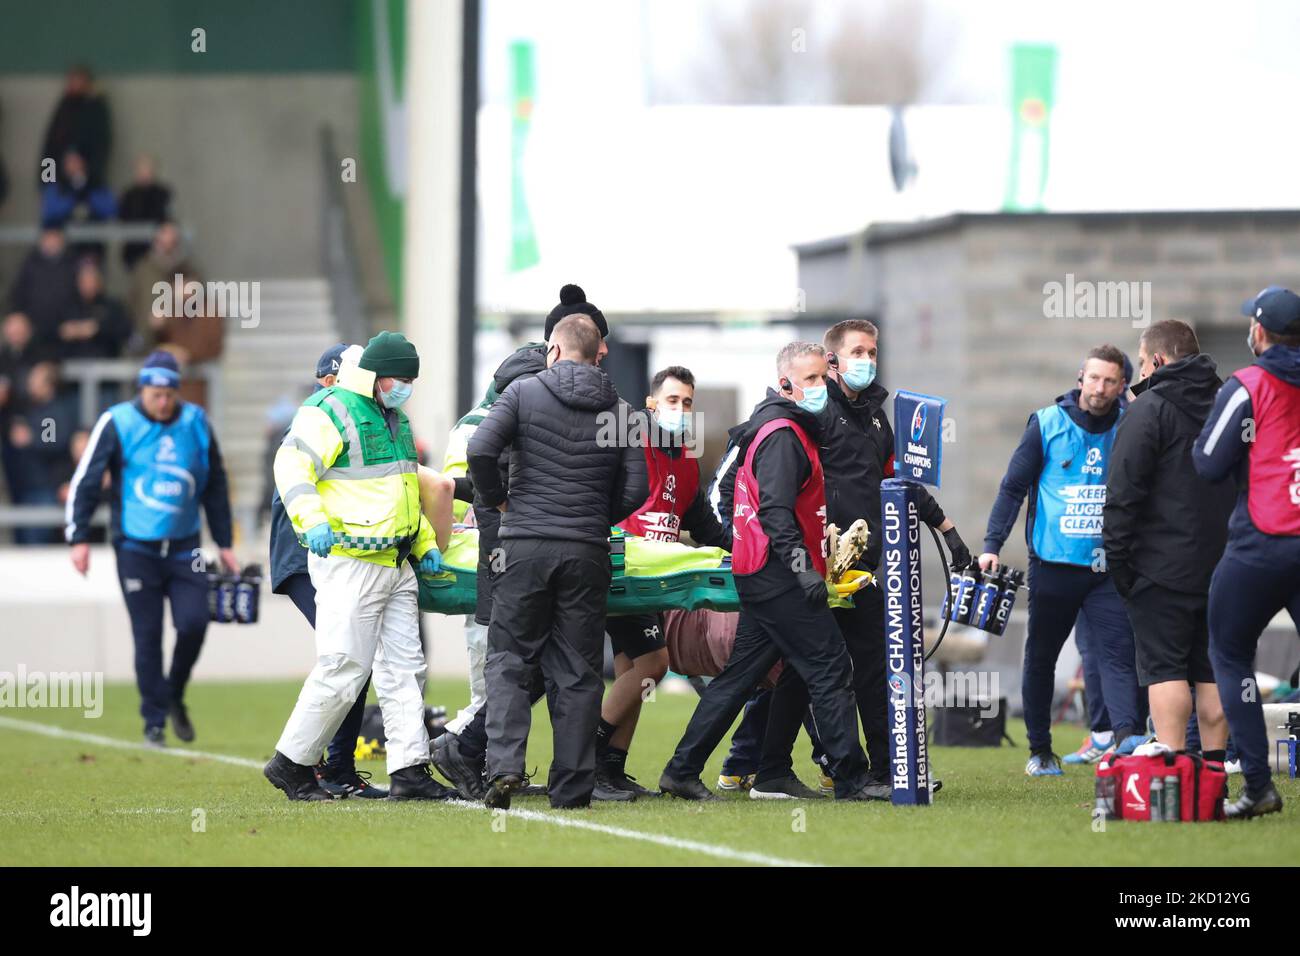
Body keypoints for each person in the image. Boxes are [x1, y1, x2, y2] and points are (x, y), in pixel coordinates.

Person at [659, 342, 875, 802]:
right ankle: (854, 780)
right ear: (785, 385)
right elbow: (776, 512)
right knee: (831, 667)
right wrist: (804, 571)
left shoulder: (788, 428)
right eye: (810, 379)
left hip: (761, 572)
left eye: (823, 377)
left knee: (745, 677)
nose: (821, 387)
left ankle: (693, 770)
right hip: (777, 575)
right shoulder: (782, 434)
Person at [468, 314, 646, 810]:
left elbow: (479, 449)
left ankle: (503, 768)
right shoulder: (622, 410)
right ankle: (571, 789)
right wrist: (593, 516)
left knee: (509, 660)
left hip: (524, 546)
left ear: (553, 349)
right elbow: (639, 489)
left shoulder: (523, 394)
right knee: (578, 672)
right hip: (587, 552)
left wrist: (501, 502)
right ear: (597, 353)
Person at [265, 331, 451, 802]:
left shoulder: (394, 417)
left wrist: (425, 540)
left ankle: (409, 769)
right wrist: (311, 522)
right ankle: (291, 763)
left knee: (406, 671)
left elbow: (405, 489)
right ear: (373, 374)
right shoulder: (329, 410)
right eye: (401, 378)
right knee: (344, 668)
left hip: (394, 562)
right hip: (350, 562)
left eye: (412, 379)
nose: (406, 386)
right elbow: (290, 466)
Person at [979, 344, 1145, 776]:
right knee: (1041, 657)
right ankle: (1040, 751)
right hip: (1053, 565)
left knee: (1118, 655)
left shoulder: (1131, 424)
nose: (1100, 387)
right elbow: (1012, 487)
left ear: (1122, 385)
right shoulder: (1046, 423)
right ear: (1080, 378)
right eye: (1094, 378)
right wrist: (992, 545)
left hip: (1106, 569)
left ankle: (1126, 744)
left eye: (1110, 380)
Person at [65, 351, 237, 746]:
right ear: (142, 389)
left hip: (185, 545)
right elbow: (87, 480)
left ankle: (173, 691)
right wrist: (78, 539)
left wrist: (225, 542)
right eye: (155, 393)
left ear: (176, 393)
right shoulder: (118, 422)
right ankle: (154, 721)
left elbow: (216, 483)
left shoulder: (195, 422)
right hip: (135, 547)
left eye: (168, 395)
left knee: (193, 623)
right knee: (147, 635)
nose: (162, 402)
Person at [596, 365, 731, 797]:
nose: (680, 409)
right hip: (624, 572)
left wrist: (741, 551)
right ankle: (588, 758)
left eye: (687, 402)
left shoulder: (686, 463)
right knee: (655, 665)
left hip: (655, 583)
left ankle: (610, 770)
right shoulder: (630, 443)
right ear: (651, 405)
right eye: (672, 401)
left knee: (631, 673)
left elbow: (704, 525)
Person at [1103, 320, 1234, 758]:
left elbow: (1122, 495)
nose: (1140, 373)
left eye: (1141, 363)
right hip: (1225, 567)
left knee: (1165, 671)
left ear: (1157, 360)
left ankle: (1174, 773)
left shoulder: (1147, 409)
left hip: (1160, 570)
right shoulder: (1230, 404)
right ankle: (1215, 778)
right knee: (1214, 673)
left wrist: (1119, 567)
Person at [1193, 286, 1300, 818]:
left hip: (1262, 541)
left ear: (1259, 333)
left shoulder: (1248, 383)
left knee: (1230, 654)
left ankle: (1257, 785)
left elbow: (1208, 463)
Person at [267, 344, 386, 798]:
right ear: (329, 380)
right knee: (346, 657)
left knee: (350, 658)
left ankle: (333, 766)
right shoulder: (318, 419)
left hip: (332, 555)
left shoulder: (347, 418)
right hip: (307, 554)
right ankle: (321, 766)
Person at [9, 224, 79, 348]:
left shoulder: (72, 263)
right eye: (48, 237)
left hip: (65, 328)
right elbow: (17, 293)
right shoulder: (30, 263)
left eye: (55, 237)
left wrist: (74, 320)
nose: (52, 242)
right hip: (34, 327)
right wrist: (18, 315)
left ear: (62, 240)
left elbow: (81, 295)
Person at [41, 64, 111, 187]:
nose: (75, 85)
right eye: (72, 81)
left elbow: (101, 146)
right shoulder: (64, 107)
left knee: (104, 203)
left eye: (79, 81)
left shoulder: (97, 108)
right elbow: (50, 148)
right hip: (59, 178)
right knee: (52, 199)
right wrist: (47, 180)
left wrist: (85, 168)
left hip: (89, 178)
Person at [117, 153, 173, 270]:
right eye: (141, 169)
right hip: (134, 251)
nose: (144, 173)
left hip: (157, 250)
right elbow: (123, 219)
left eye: (147, 169)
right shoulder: (128, 195)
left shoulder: (162, 193)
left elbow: (165, 218)